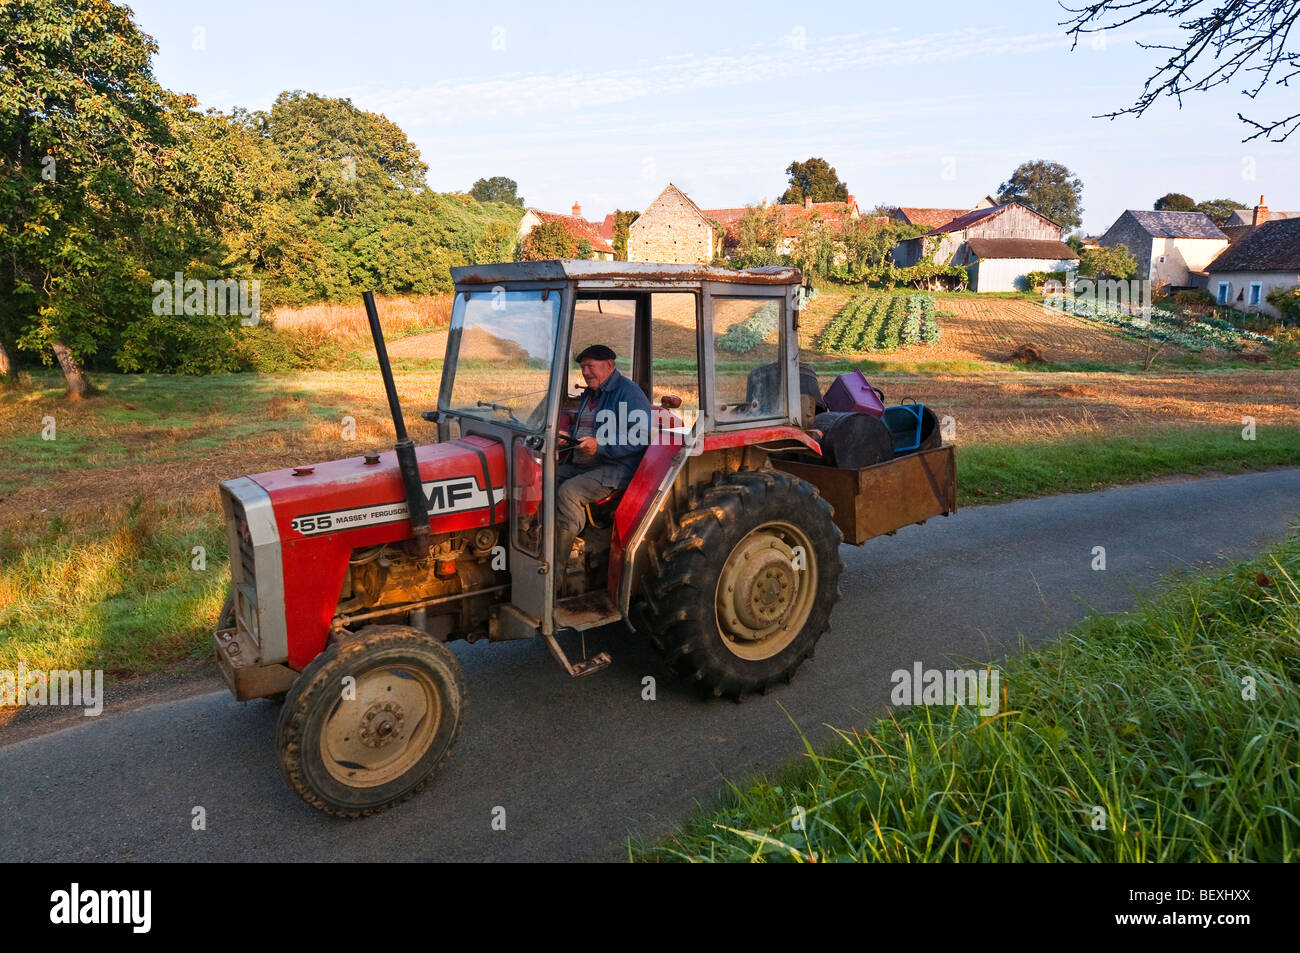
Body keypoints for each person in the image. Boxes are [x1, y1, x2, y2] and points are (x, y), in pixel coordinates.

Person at [554, 344, 652, 590]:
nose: (586, 372)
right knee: (543, 477)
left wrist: (601, 446)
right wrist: (567, 435)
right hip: (585, 463)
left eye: (590, 366)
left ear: (609, 365)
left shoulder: (628, 393)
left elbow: (641, 436)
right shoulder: (591, 393)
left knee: (569, 492)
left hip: (616, 468)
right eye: (582, 367)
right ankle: (544, 538)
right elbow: (586, 426)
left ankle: (558, 570)